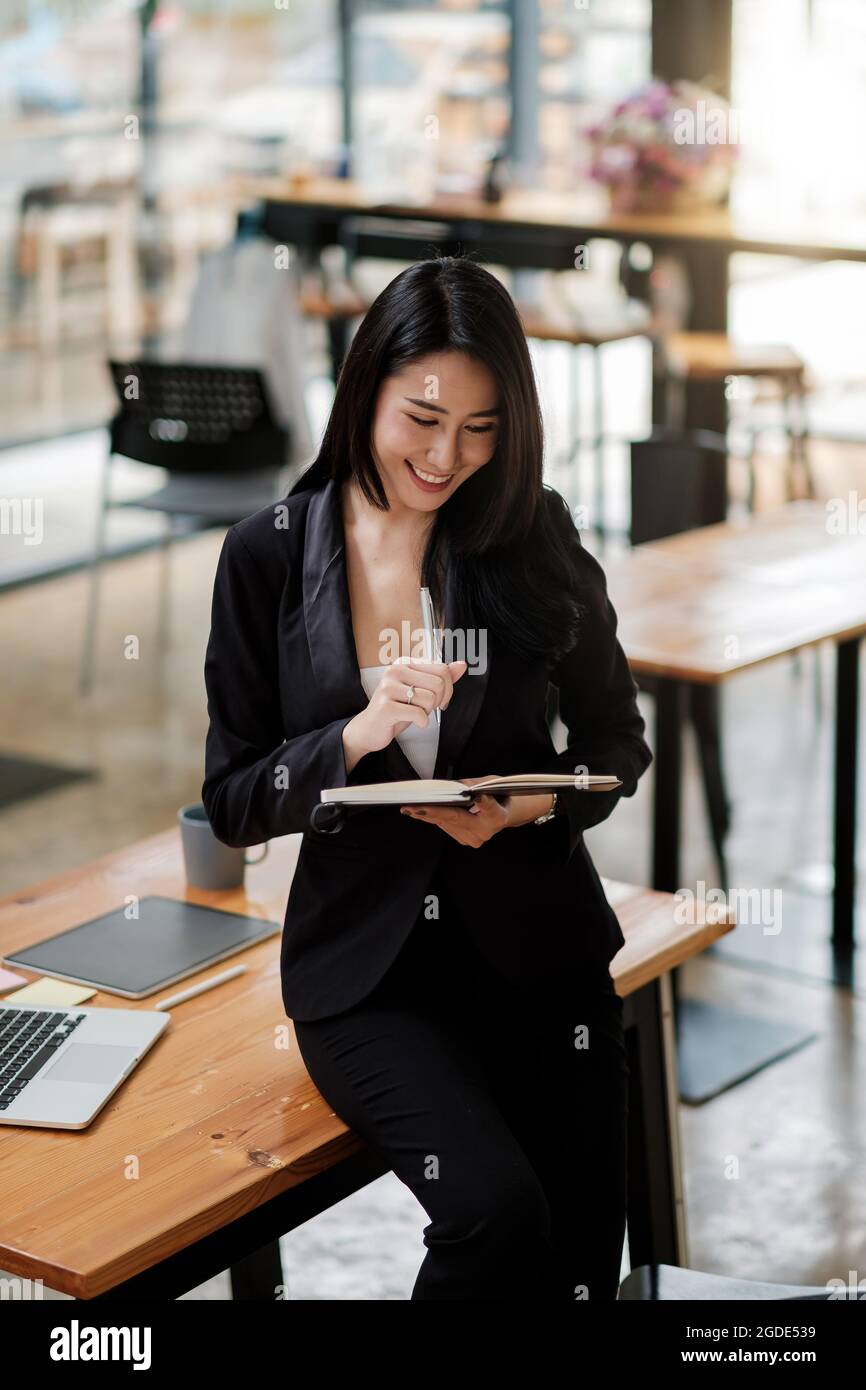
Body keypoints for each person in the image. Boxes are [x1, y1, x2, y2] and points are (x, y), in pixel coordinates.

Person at [201, 255, 653, 1300]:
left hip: (537, 946)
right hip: (367, 973)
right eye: (423, 418)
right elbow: (233, 799)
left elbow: (614, 739)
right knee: (494, 1211)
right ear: (366, 387)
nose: (447, 457)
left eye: (481, 429)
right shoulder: (265, 557)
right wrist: (356, 734)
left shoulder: (526, 530)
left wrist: (536, 801)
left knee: (578, 1267)